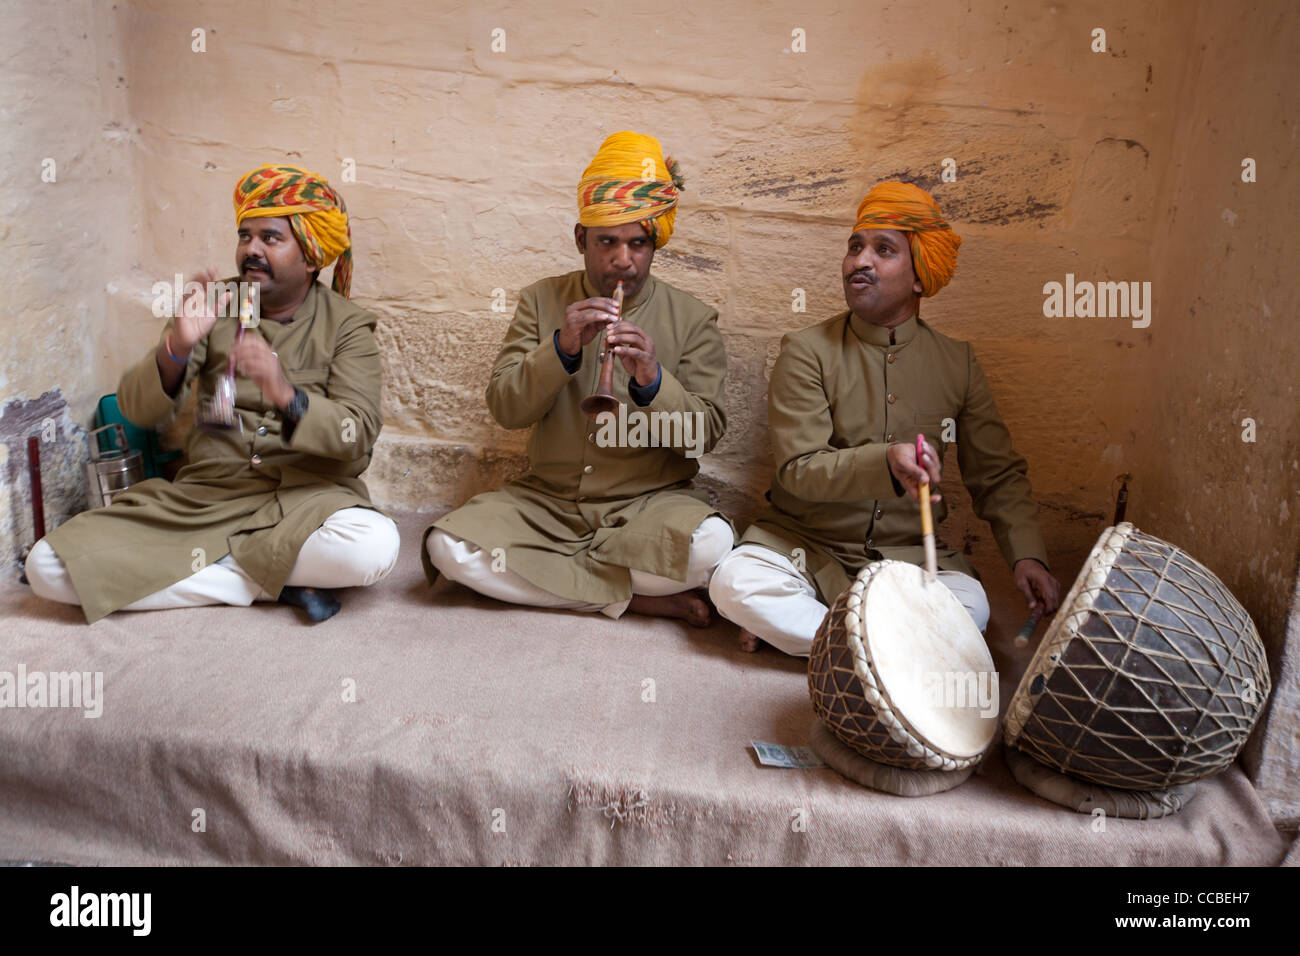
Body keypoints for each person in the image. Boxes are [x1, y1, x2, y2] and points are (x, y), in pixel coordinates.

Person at [26, 164, 399, 624]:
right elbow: (137, 409)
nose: (251, 250)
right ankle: (274, 579)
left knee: (373, 547)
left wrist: (284, 393)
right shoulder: (213, 304)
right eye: (246, 236)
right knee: (46, 566)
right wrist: (177, 347)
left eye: (270, 238)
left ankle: (213, 570)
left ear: (311, 256)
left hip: (306, 500)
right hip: (205, 500)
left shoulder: (347, 324)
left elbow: (356, 435)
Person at [710, 181, 1060, 654]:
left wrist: (1027, 556)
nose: (860, 261)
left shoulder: (957, 363)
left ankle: (825, 641)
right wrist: (886, 462)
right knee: (735, 581)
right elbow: (798, 470)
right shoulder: (806, 351)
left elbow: (996, 475)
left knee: (970, 607)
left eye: (883, 250)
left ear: (919, 276)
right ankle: (888, 654)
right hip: (805, 549)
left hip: (909, 560)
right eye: (855, 247)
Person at [423, 132, 732, 626]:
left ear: (655, 245)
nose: (623, 259)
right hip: (546, 505)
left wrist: (653, 379)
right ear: (580, 239)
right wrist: (562, 347)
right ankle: (633, 599)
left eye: (638, 243)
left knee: (711, 546)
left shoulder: (694, 318)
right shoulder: (541, 300)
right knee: (446, 547)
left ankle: (565, 584)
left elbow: (703, 436)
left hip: (646, 506)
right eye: (607, 241)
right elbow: (506, 408)